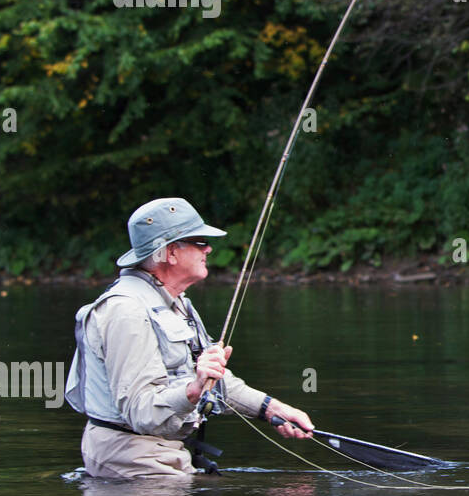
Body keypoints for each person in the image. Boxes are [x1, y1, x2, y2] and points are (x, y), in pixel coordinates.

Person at [67, 197, 313, 477]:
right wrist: (193, 390)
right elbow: (140, 409)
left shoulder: (176, 303)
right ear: (170, 253)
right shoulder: (126, 311)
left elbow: (213, 381)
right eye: (199, 241)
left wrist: (271, 408)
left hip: (165, 452)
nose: (208, 249)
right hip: (131, 456)